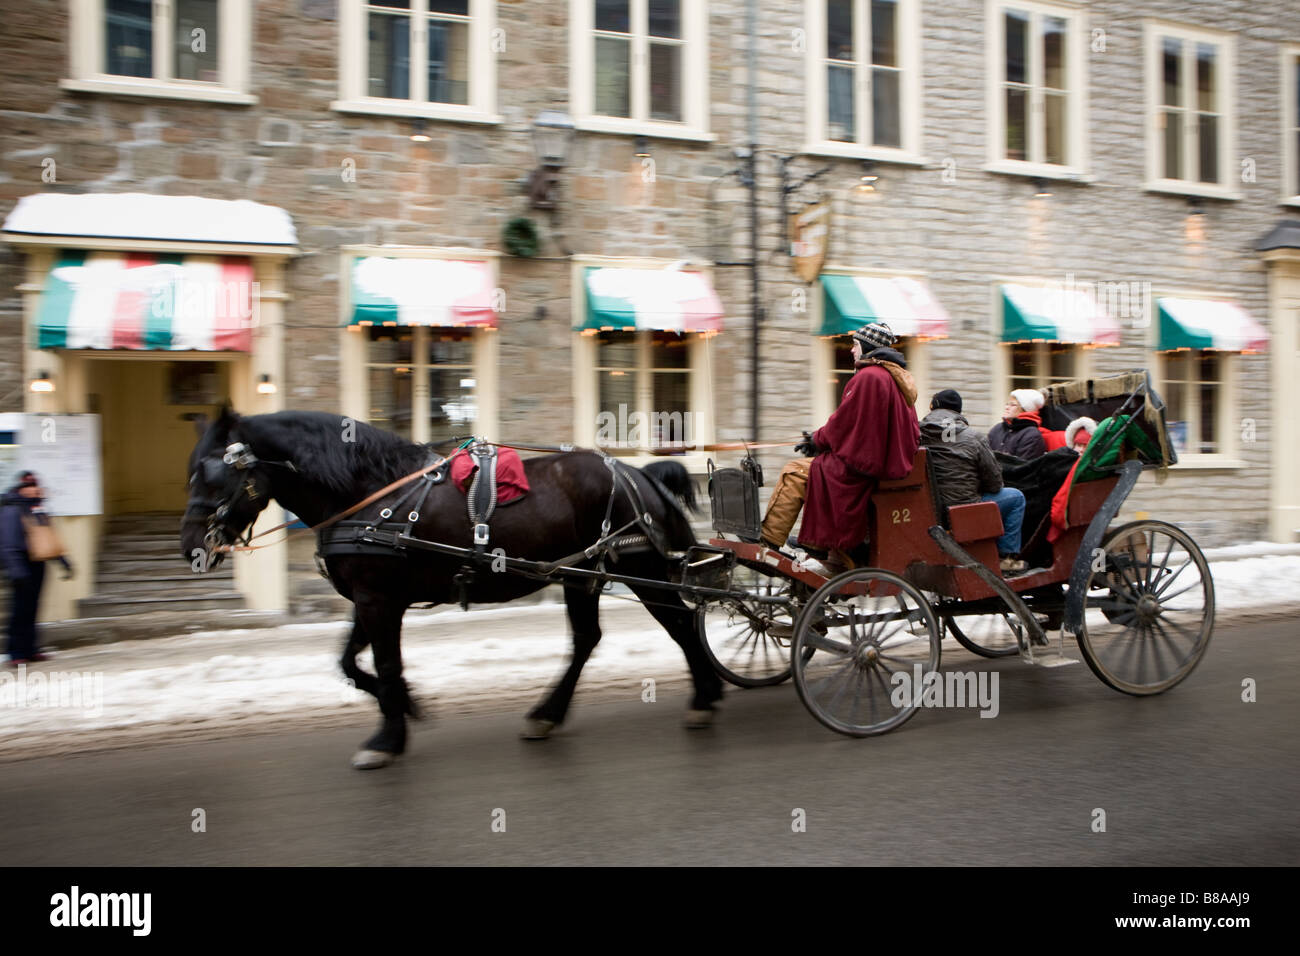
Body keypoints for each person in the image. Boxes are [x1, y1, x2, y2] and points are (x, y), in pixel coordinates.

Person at [759, 321, 920, 575]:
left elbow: (845, 422)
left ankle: (767, 544)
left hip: (861, 470)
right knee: (808, 470)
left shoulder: (869, 377)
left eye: (855, 345)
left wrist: (817, 439)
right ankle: (817, 545)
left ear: (868, 347)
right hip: (878, 467)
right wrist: (820, 439)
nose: (851, 351)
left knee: (795, 473)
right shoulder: (893, 378)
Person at [920, 389, 1028, 574]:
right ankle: (1005, 558)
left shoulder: (918, 434)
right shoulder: (974, 437)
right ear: (959, 412)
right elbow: (995, 484)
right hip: (964, 509)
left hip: (930, 510)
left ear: (932, 407)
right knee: (1016, 497)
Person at [1, 472, 73, 665]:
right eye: (30, 485)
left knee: (33, 608)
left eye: (36, 485)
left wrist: (63, 562)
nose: (35, 488)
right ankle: (16, 653)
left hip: (37, 564)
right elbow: (8, 544)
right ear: (21, 489)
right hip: (21, 564)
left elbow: (47, 539)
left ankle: (31, 649)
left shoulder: (37, 509)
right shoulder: (12, 510)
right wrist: (16, 570)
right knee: (20, 610)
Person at [1048, 417, 1098, 543]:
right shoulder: (1065, 456)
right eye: (1078, 445)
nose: (1081, 450)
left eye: (1085, 446)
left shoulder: (1084, 466)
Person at [988, 389, 1054, 460]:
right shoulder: (998, 428)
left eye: (1013, 405)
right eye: (1007, 404)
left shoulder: (1032, 435)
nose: (1007, 407)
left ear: (1025, 409)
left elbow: (1023, 467)